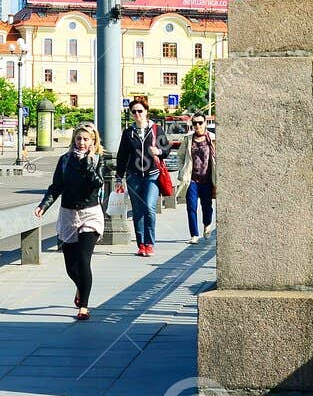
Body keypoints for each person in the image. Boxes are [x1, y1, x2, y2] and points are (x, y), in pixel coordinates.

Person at [35, 123, 105, 320]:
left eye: (86, 139)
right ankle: (80, 286)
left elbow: (96, 183)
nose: (81, 143)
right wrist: (44, 205)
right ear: (74, 139)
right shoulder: (65, 160)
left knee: (83, 261)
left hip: (90, 213)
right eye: (78, 139)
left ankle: (84, 306)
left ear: (93, 142)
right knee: (70, 267)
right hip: (68, 214)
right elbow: (56, 187)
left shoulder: (98, 159)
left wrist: (89, 162)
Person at [115, 98, 168, 256]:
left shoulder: (156, 129)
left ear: (146, 112)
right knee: (138, 211)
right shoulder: (128, 132)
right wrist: (119, 177)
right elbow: (122, 156)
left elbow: (166, 148)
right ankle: (141, 244)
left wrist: (158, 151)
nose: (137, 114)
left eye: (140, 111)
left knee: (149, 208)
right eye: (134, 112)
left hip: (152, 175)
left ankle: (150, 243)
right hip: (134, 176)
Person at [178, 114, 215, 243]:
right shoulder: (188, 139)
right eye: (194, 123)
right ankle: (194, 234)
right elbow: (180, 155)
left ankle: (207, 224)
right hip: (191, 179)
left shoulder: (212, 138)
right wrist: (181, 171)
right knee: (191, 206)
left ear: (205, 123)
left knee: (207, 206)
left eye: (200, 122)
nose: (197, 126)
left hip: (207, 179)